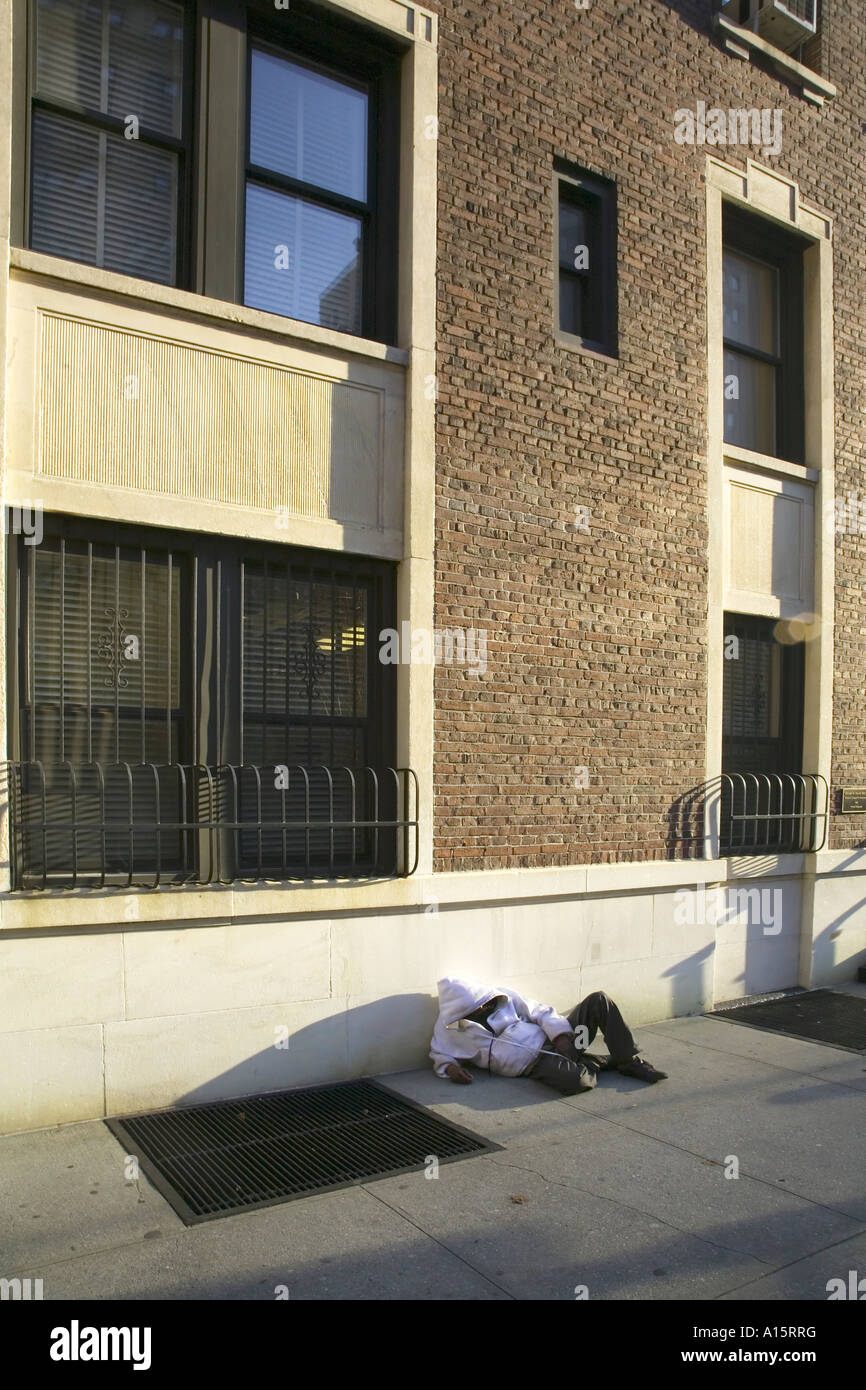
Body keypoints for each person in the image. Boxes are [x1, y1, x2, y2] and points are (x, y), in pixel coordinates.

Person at [430, 976, 667, 1094]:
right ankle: (599, 1062)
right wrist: (451, 1069)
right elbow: (440, 1053)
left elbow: (540, 1012)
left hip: (562, 1042)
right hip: (536, 1064)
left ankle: (628, 1061)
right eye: (477, 1008)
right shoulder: (449, 1029)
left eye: (484, 1004)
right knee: (578, 1082)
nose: (484, 1008)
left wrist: (561, 1036)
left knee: (599, 1000)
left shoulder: (502, 996)